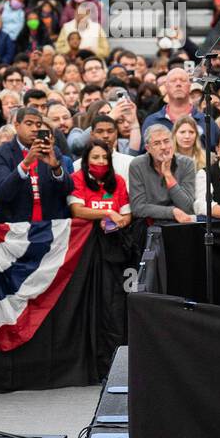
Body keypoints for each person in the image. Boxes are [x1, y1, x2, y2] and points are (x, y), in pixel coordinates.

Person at [69, 138, 134, 371]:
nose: (100, 162)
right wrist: (107, 212)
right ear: (86, 160)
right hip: (84, 250)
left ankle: (112, 361)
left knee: (112, 304)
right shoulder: (76, 179)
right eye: (95, 157)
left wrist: (118, 221)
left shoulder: (117, 181)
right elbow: (77, 209)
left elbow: (126, 215)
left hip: (112, 250)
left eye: (104, 157)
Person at [0, 107, 73, 222]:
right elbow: (4, 192)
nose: (34, 129)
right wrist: (25, 163)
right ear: (17, 125)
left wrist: (56, 168)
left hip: (49, 226)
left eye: (38, 125)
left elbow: (68, 190)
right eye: (29, 124)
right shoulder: (1, 153)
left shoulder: (53, 151)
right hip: (15, 229)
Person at [127, 122, 196, 228]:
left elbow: (187, 207)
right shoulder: (137, 165)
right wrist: (172, 211)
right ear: (148, 148)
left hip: (182, 225)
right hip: (149, 226)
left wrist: (168, 175)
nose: (164, 147)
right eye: (157, 143)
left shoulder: (187, 163)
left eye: (166, 141)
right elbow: (138, 208)